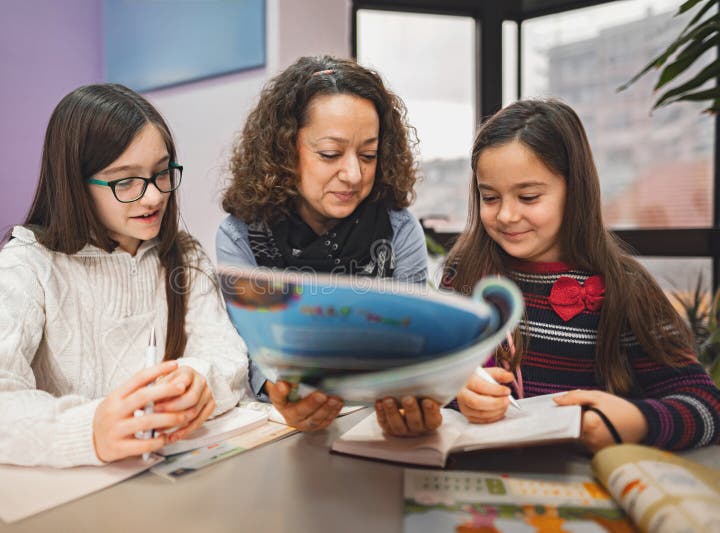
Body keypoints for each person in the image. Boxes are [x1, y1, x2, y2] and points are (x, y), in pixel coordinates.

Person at [0, 84, 249, 466]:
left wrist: (200, 378)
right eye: (126, 181)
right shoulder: (29, 265)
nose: (153, 196)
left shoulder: (182, 255)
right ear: (75, 184)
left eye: (161, 173)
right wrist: (88, 430)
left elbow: (227, 355)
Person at [433, 98, 720, 452]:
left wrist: (638, 421)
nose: (506, 215)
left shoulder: (625, 288)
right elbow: (426, 377)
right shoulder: (463, 275)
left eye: (528, 196)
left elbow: (707, 407)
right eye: (489, 197)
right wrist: (453, 392)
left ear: (575, 190)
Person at [216, 55, 438, 435]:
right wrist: (283, 392)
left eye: (368, 155)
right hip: (284, 433)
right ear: (284, 150)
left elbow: (417, 343)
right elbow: (251, 352)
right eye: (330, 154)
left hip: (380, 430)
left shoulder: (399, 230)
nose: (353, 174)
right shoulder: (240, 236)